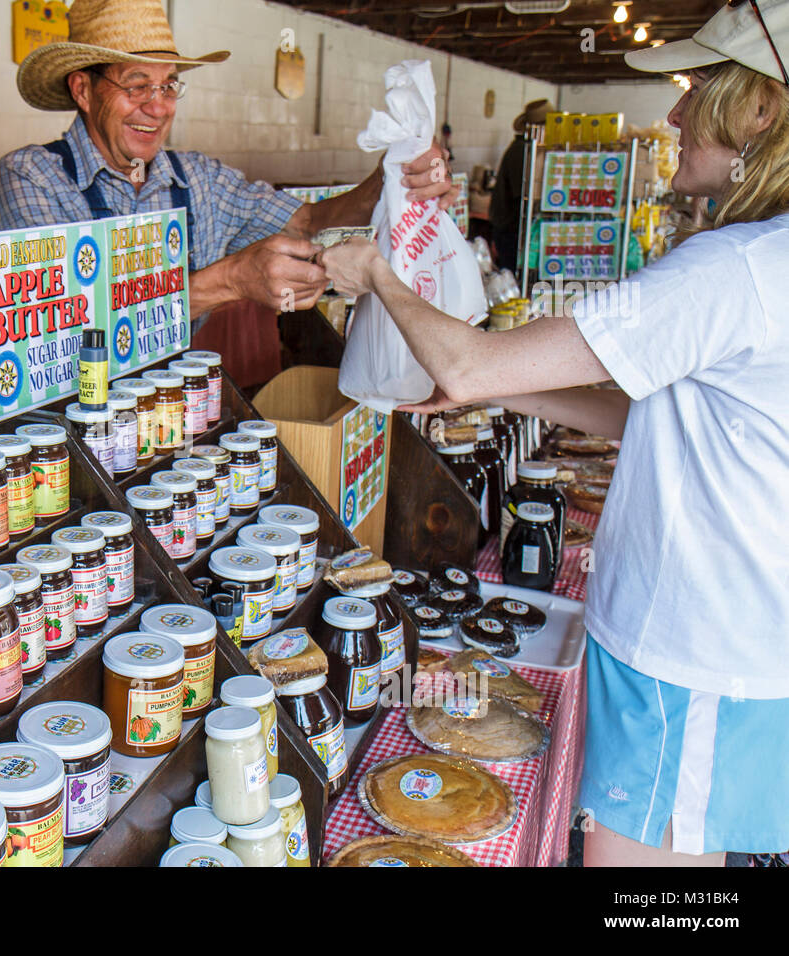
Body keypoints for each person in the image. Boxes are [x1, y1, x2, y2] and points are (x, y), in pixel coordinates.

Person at [320, 0, 789, 866]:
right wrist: (516, 398)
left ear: (760, 110)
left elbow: (465, 363)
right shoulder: (765, 260)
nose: (675, 117)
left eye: (697, 92)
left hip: (691, 657)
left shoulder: (735, 269)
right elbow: (646, 411)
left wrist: (376, 269)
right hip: (719, 647)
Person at [0, 0, 456, 320]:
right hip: (60, 433)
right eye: (136, 86)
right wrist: (233, 278)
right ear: (83, 90)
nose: (157, 106)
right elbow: (61, 324)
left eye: (168, 85)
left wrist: (393, 177)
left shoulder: (198, 180)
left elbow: (309, 220)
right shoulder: (32, 177)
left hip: (171, 408)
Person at [489, 99, 551, 272]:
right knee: (513, 277)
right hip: (511, 231)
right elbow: (523, 195)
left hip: (516, 229)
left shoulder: (531, 150)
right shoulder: (522, 151)